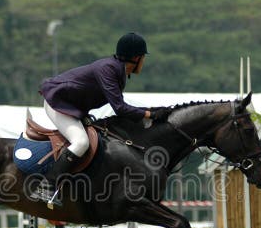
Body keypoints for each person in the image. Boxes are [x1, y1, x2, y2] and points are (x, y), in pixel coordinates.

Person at [34, 32, 170, 205]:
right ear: (136, 58)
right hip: (58, 103)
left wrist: (149, 112)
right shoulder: (108, 69)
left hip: (73, 108)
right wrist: (150, 114)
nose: (143, 61)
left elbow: (121, 105)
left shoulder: (117, 70)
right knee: (81, 142)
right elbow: (120, 108)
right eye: (143, 57)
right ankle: (46, 186)